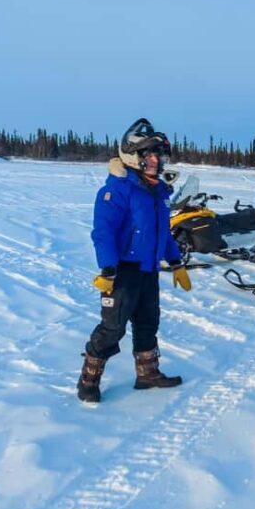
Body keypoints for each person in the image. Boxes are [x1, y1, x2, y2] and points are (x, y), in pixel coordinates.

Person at [77, 118, 192, 403]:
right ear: (133, 156)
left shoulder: (159, 192)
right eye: (149, 155)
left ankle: (148, 373)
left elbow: (162, 233)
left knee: (148, 322)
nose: (155, 160)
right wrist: (108, 269)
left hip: (148, 270)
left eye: (158, 155)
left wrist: (176, 263)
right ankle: (88, 380)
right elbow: (103, 232)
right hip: (121, 273)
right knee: (113, 327)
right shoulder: (117, 190)